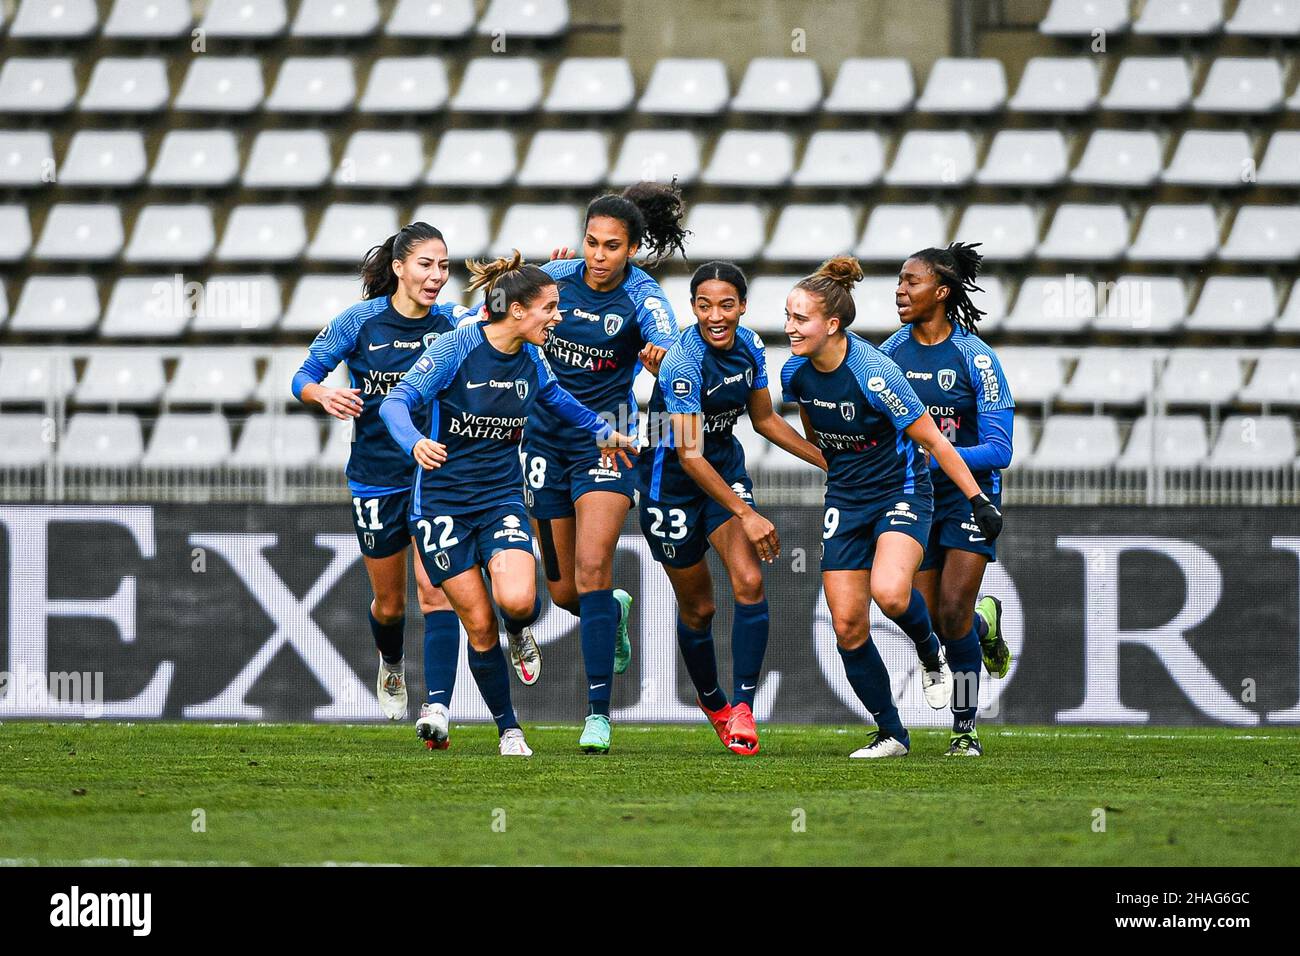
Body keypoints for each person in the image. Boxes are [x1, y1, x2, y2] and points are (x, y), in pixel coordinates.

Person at [379, 252, 636, 756]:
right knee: (477, 624)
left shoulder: (532, 359)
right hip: (442, 504)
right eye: (551, 309)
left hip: (500, 499)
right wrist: (413, 442)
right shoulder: (457, 348)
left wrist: (605, 431)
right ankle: (509, 729)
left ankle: (518, 631)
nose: (558, 318)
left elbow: (557, 398)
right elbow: (394, 402)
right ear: (517, 311)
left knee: (517, 602)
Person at [780, 256, 1003, 759]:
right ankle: (892, 734)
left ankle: (963, 723)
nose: (789, 328)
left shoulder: (895, 369)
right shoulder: (804, 371)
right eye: (788, 317)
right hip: (851, 497)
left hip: (917, 490)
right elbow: (822, 433)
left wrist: (978, 498)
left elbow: (962, 445)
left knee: (938, 611)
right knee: (853, 622)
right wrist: (837, 465)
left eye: (800, 318)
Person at [521, 181, 687, 754]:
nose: (597, 255)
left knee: (593, 569)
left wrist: (660, 353)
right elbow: (495, 316)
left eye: (611, 246)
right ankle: (612, 610)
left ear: (633, 250)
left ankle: (597, 716)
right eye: (590, 242)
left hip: (608, 444)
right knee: (565, 592)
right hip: (542, 443)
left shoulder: (643, 296)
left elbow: (668, 335)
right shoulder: (555, 281)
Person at [291, 222, 471, 741]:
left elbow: (504, 324)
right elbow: (303, 376)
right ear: (398, 268)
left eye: (443, 266)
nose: (436, 276)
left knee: (435, 593)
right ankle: (390, 660)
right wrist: (323, 395)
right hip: (375, 478)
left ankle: (437, 707)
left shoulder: (454, 322)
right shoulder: (360, 323)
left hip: (435, 476)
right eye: (425, 265)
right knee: (390, 605)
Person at [640, 261, 826, 755]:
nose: (715, 315)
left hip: (724, 474)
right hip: (671, 488)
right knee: (699, 608)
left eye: (726, 305)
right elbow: (689, 454)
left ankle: (743, 708)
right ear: (693, 308)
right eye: (704, 305)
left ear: (743, 306)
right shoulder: (683, 361)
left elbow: (764, 419)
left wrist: (828, 460)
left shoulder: (751, 347)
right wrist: (747, 513)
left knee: (749, 581)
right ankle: (714, 703)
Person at [879, 242, 1015, 757]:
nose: (900, 290)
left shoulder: (976, 357)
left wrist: (934, 457)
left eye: (911, 281)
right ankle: (987, 624)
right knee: (939, 619)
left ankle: (964, 727)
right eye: (898, 280)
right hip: (914, 500)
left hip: (967, 498)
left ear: (941, 291)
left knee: (952, 611)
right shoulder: (889, 354)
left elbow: (1000, 449)